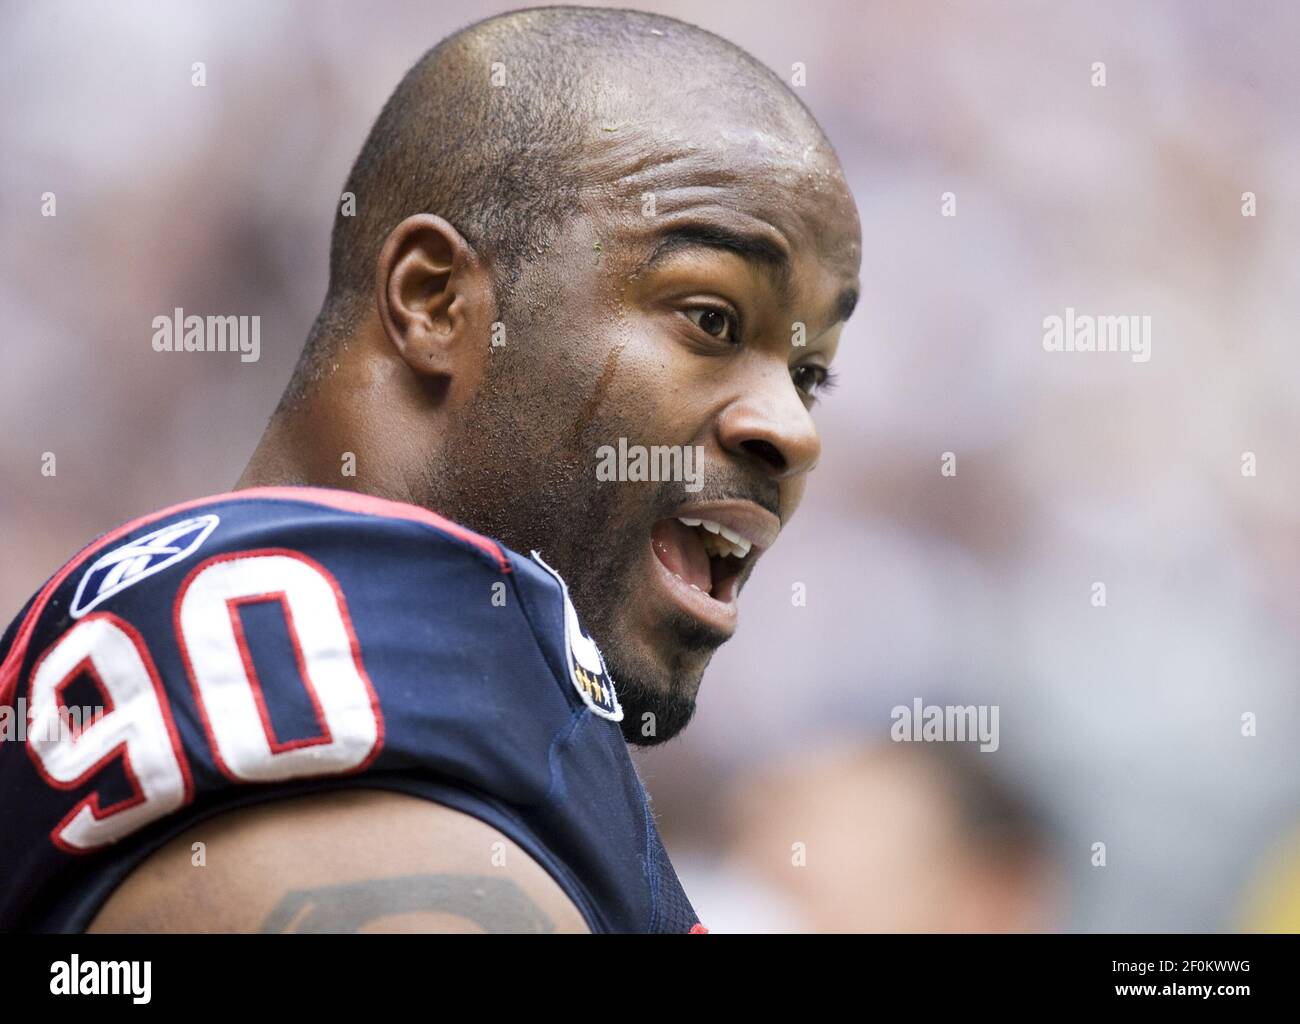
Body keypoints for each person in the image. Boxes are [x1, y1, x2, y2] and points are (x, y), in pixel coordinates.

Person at [0, 5, 861, 933]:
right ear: (434, 301)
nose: (792, 429)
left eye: (810, 375)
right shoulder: (348, 698)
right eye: (711, 318)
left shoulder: (459, 698)